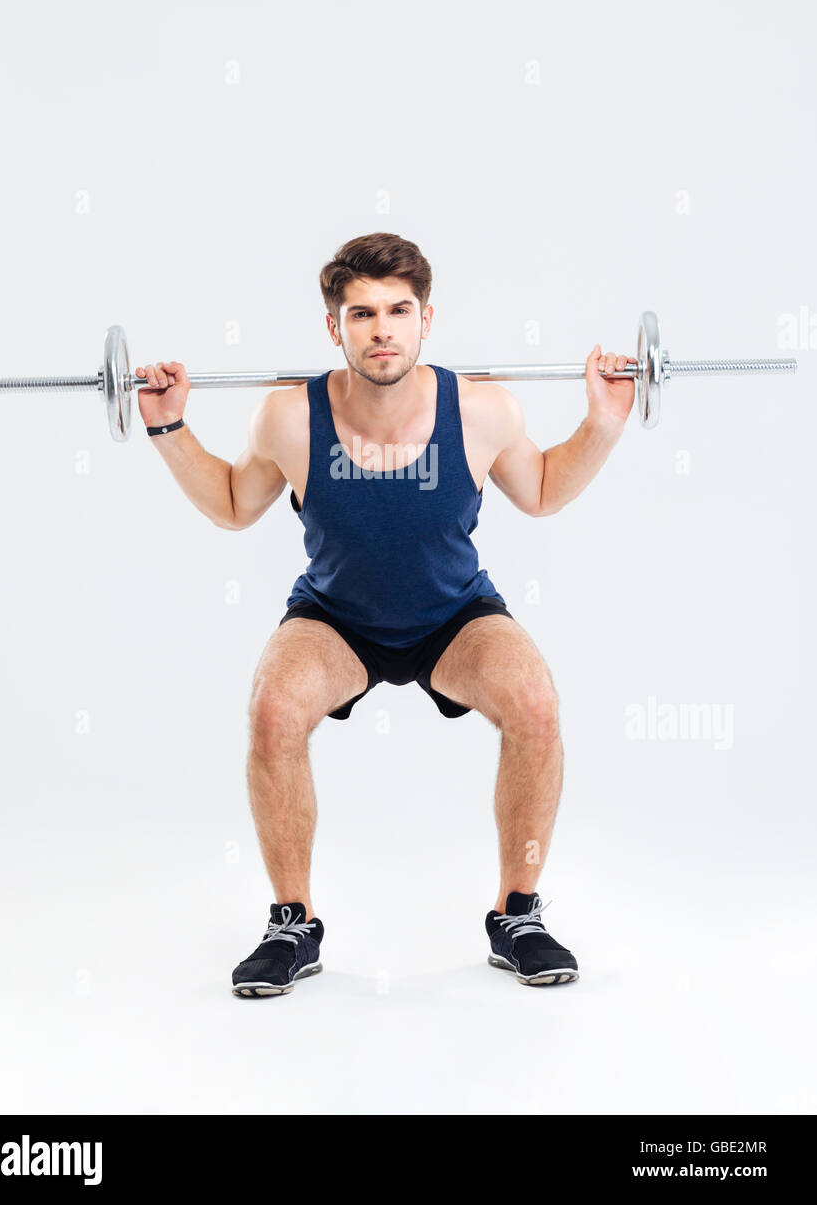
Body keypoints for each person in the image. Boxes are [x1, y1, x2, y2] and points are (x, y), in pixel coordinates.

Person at [135, 234, 634, 996]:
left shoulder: (482, 409)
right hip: (336, 619)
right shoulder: (289, 420)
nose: (382, 329)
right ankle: (293, 924)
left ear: (426, 319)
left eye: (399, 310)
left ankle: (518, 915)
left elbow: (540, 492)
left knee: (534, 701)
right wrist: (168, 426)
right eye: (361, 313)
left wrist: (602, 421)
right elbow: (235, 505)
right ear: (333, 327)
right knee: (273, 709)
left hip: (455, 616)